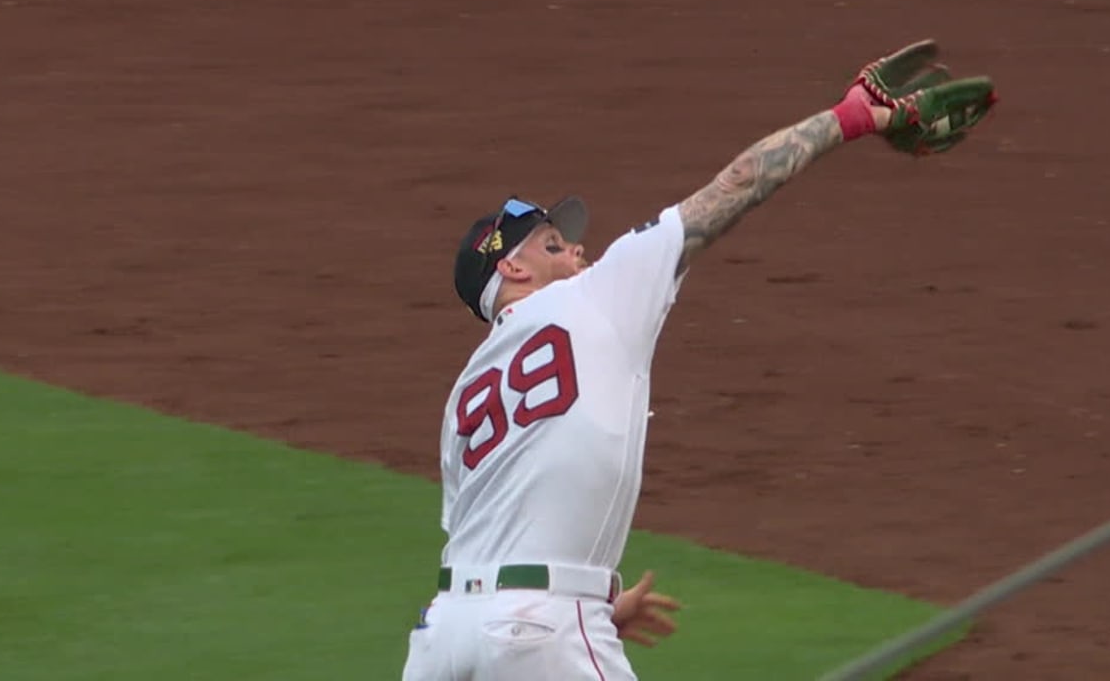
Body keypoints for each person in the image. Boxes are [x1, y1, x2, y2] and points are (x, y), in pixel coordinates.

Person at [401, 40, 996, 680]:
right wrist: (853, 116)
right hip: (538, 630)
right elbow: (738, 184)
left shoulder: (463, 397)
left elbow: (488, 531)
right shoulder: (597, 294)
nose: (577, 249)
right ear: (513, 267)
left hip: (441, 638)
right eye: (554, 242)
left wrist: (595, 599)